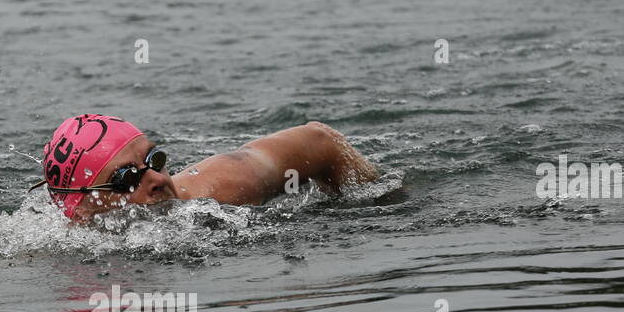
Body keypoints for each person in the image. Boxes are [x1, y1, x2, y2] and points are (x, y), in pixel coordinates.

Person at [30, 114, 378, 222]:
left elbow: (321, 139)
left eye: (154, 160)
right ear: (82, 209)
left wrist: (371, 204)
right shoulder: (52, 250)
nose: (156, 178)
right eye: (126, 178)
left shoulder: (220, 190)